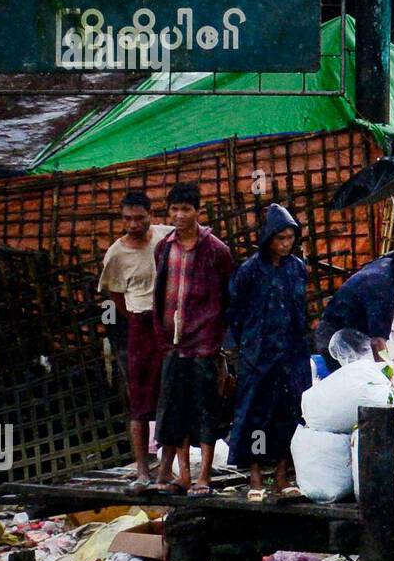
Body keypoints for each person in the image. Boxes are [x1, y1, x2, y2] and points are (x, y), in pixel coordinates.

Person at [151, 183, 234, 496]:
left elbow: (227, 297)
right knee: (178, 408)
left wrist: (216, 337)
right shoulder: (165, 248)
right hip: (173, 342)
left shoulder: (216, 250)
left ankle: (204, 477)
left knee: (205, 408)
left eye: (186, 209)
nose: (179, 215)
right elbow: (159, 292)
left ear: (198, 211)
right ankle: (183, 475)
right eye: (174, 209)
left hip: (204, 342)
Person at [226, 204, 311, 502]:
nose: (285, 244)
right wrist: (244, 349)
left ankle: (282, 475)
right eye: (280, 238)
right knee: (255, 415)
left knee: (289, 413)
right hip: (258, 355)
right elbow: (235, 313)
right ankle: (255, 475)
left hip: (291, 353)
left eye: (290, 238)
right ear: (268, 239)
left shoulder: (297, 268)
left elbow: (300, 311)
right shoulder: (250, 271)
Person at [98, 192, 171, 491]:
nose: (133, 224)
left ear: (151, 215)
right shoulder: (116, 254)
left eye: (139, 218)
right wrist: (134, 317)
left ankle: (166, 469)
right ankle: (142, 469)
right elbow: (113, 294)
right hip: (140, 325)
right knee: (140, 403)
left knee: (172, 397)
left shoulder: (167, 237)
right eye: (127, 218)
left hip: (170, 323)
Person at [315, 238, 394, 370]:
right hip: (336, 341)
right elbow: (378, 343)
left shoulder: (388, 265)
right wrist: (390, 377)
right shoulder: (383, 286)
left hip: (352, 334)